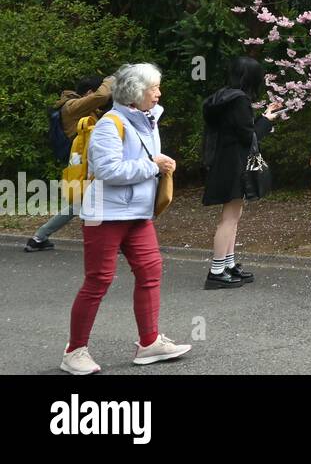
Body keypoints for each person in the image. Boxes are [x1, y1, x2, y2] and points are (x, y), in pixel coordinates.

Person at [61, 63, 190, 374]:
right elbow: (109, 171)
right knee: (98, 280)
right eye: (153, 88)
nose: (159, 93)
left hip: (136, 214)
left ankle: (149, 343)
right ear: (135, 94)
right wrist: (153, 165)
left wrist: (155, 165)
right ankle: (74, 351)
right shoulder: (110, 124)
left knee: (150, 272)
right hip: (104, 215)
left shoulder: (146, 121)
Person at [201, 57, 280, 289]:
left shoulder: (223, 96)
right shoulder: (240, 100)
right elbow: (249, 135)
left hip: (224, 161)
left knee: (233, 217)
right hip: (235, 163)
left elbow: (238, 130)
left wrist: (263, 117)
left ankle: (228, 263)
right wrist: (266, 120)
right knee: (229, 219)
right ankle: (217, 270)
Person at [26, 74, 115, 252]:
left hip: (87, 162)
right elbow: (102, 96)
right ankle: (104, 243)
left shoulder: (82, 109)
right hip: (82, 164)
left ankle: (39, 238)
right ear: (89, 92)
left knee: (85, 202)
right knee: (86, 201)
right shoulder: (72, 106)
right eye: (95, 91)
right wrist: (110, 80)